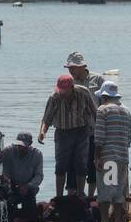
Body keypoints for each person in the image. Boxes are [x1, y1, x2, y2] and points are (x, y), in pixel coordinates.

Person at [39, 71, 97, 199]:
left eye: (65, 91)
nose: (63, 94)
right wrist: (42, 132)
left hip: (82, 130)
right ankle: (59, 196)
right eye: (61, 91)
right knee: (61, 164)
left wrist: (100, 130)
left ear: (72, 87)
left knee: (81, 163)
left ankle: (81, 194)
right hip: (62, 132)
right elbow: (46, 117)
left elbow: (94, 112)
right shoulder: (54, 97)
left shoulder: (84, 92)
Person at [93, 81, 131, 222]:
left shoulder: (102, 110)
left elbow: (99, 138)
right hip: (122, 157)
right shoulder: (126, 111)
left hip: (108, 158)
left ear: (104, 96)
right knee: (118, 194)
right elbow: (128, 138)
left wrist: (97, 158)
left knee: (105, 194)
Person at [65, 52, 104, 200]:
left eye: (74, 67)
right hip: (74, 130)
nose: (71, 70)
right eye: (69, 68)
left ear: (83, 66)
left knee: (93, 163)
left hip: (94, 129)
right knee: (73, 165)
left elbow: (105, 103)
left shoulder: (98, 79)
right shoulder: (69, 82)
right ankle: (73, 196)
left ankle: (91, 197)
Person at [0, 132, 44, 222]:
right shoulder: (9, 150)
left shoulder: (37, 154)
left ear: (30, 144)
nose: (20, 148)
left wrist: (28, 185)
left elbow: (39, 176)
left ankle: (26, 218)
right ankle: (9, 217)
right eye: (19, 145)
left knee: (30, 200)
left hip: (28, 187)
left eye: (23, 146)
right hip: (10, 186)